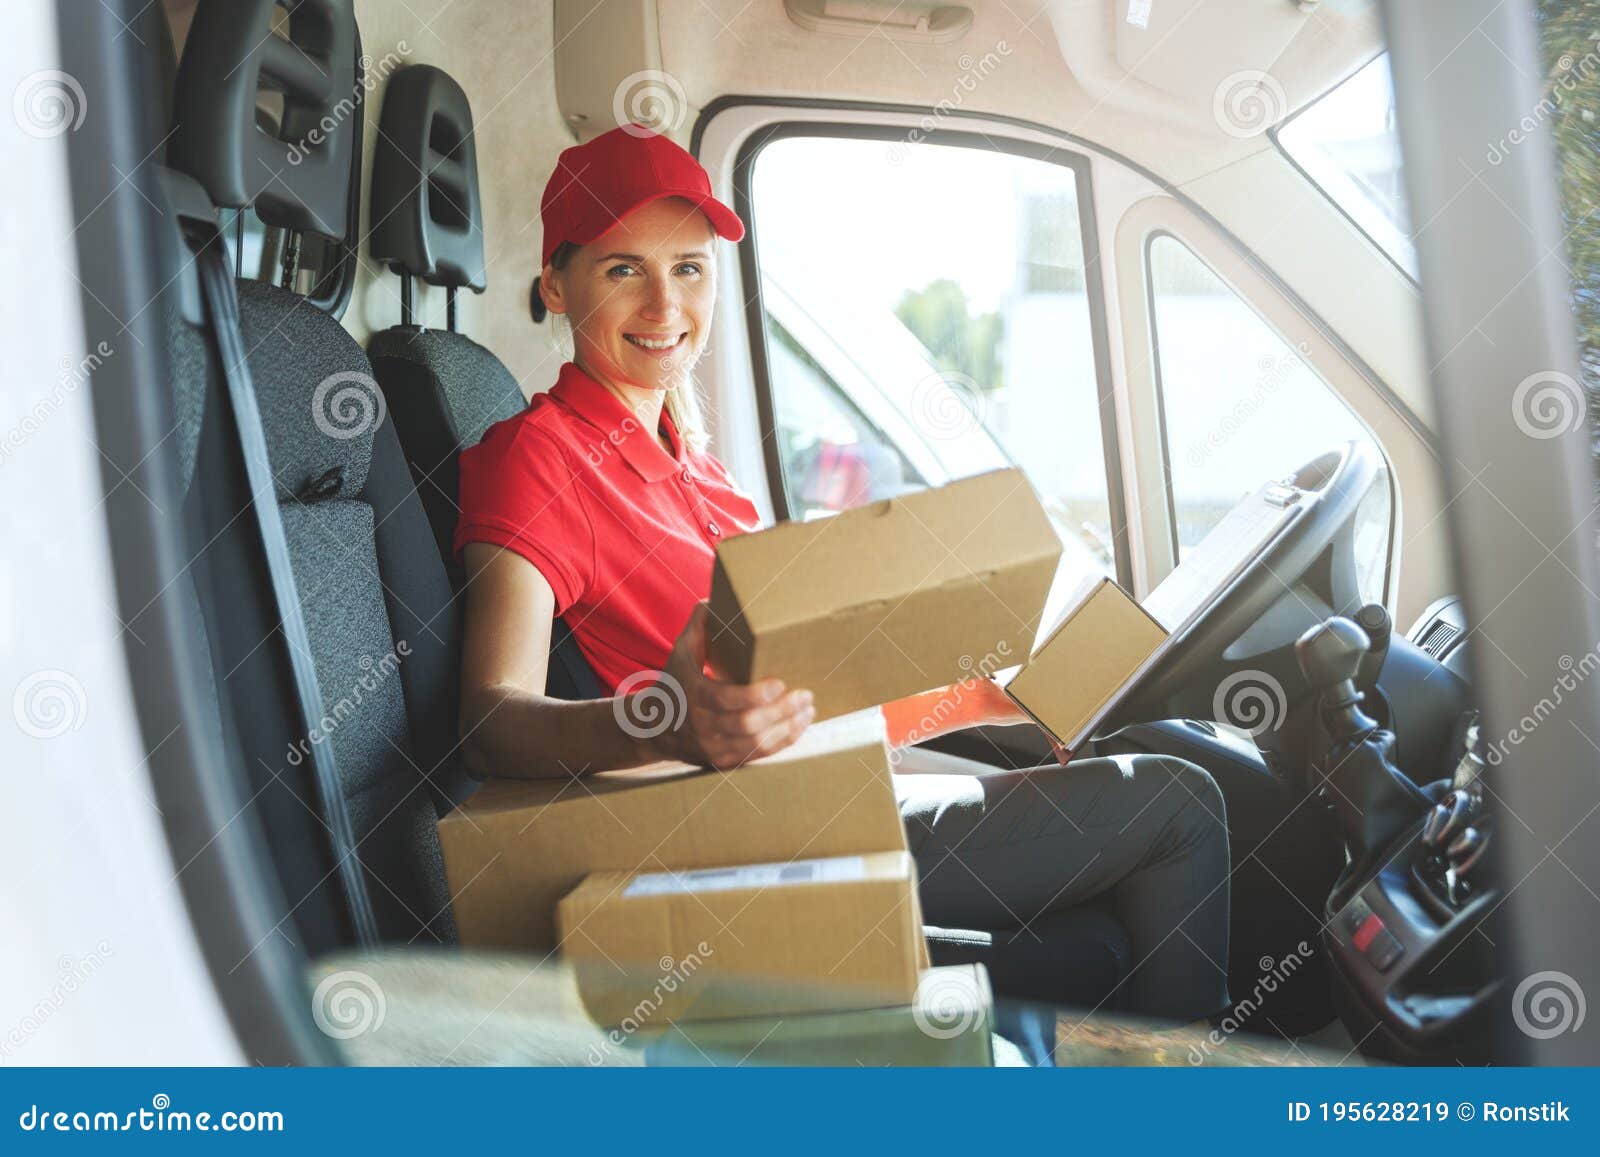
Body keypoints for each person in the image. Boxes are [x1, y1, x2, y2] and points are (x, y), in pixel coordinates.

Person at [454, 123, 1230, 1022]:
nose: (666, 304)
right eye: (624, 269)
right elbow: (489, 722)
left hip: (815, 790)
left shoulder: (703, 471)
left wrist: (975, 698)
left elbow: (802, 699)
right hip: (729, 838)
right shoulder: (537, 457)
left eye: (690, 268)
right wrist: (663, 726)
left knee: (1148, 795)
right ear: (557, 282)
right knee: (1176, 800)